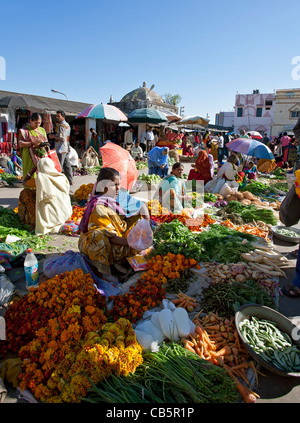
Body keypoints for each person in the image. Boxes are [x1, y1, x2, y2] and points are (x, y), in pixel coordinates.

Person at [78, 167, 149, 281]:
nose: (117, 188)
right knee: (98, 235)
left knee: (135, 215)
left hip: (116, 237)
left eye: (118, 184)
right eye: (113, 185)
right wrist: (131, 242)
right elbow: (109, 236)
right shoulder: (99, 207)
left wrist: (146, 223)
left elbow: (141, 206)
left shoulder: (117, 196)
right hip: (98, 243)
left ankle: (122, 259)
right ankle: (106, 272)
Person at [19, 157, 72, 234]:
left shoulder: (41, 179)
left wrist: (32, 171)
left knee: (25, 193)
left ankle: (33, 221)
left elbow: (24, 183)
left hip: (51, 219)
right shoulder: (62, 177)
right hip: (65, 215)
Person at [18, 113, 48, 179]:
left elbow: (45, 141)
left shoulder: (42, 130)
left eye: (39, 123)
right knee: (30, 175)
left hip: (41, 155)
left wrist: (45, 144)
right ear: (31, 121)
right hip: (29, 156)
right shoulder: (24, 131)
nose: (37, 125)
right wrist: (33, 143)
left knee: (42, 175)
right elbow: (21, 144)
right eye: (36, 123)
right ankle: (29, 188)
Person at [48, 110, 73, 185]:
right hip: (66, 147)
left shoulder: (62, 125)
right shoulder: (67, 125)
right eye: (56, 116)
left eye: (58, 116)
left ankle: (58, 182)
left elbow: (61, 138)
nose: (57, 117)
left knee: (59, 166)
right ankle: (70, 180)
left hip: (61, 148)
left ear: (63, 116)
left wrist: (52, 136)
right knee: (67, 165)